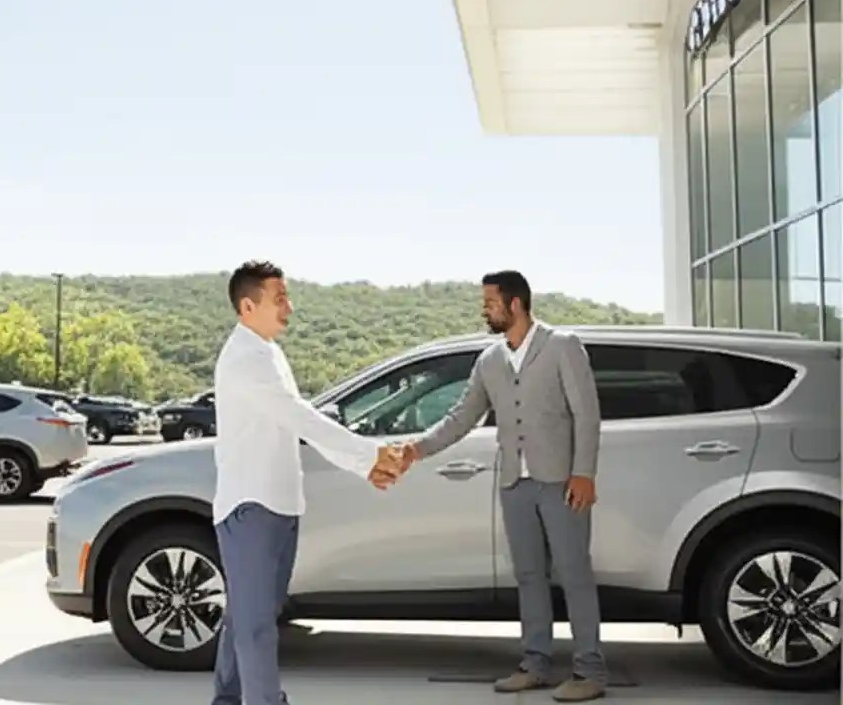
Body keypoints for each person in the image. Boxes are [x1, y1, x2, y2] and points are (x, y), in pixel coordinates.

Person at [385, 270, 606, 703]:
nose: (484, 310)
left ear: (516, 304)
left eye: (490, 302)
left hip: (562, 480)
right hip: (514, 483)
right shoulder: (489, 361)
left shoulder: (563, 346)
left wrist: (584, 473)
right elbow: (461, 418)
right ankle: (536, 664)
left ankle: (590, 671)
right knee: (528, 576)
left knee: (575, 573)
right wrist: (415, 450)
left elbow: (587, 414)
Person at [211, 260, 406, 705]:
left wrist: (363, 462)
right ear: (247, 305)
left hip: (278, 506)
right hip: (252, 508)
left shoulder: (268, 352)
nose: (289, 307)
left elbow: (298, 423)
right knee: (256, 626)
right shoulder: (245, 360)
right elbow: (301, 418)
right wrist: (368, 456)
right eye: (279, 298)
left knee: (248, 619)